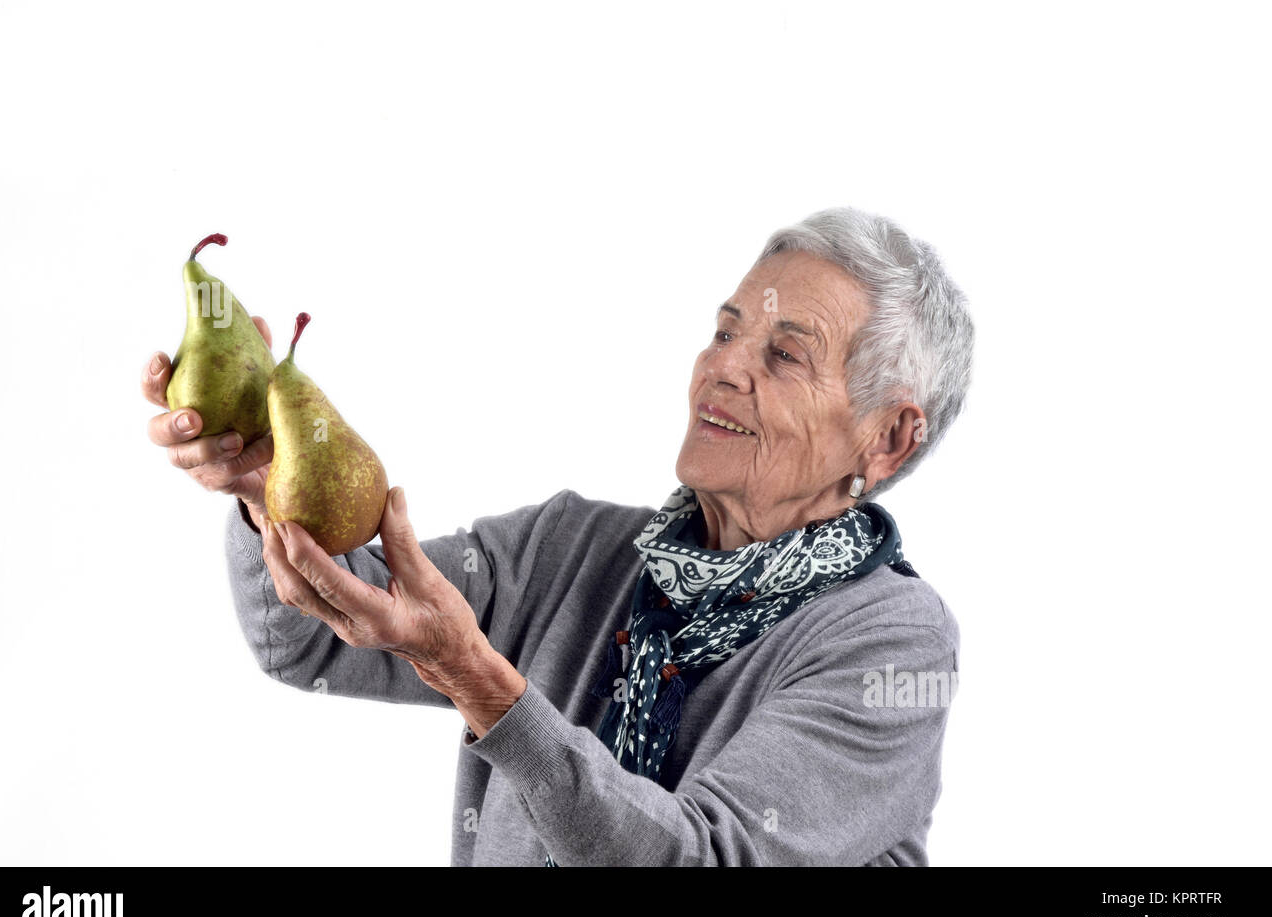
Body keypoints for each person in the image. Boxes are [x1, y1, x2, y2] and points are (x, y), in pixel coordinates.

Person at [142, 207, 974, 865]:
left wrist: (477, 680)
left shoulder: (892, 645)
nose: (723, 366)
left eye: (785, 357)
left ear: (889, 438)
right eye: (725, 332)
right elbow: (307, 643)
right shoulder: (573, 548)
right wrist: (267, 483)